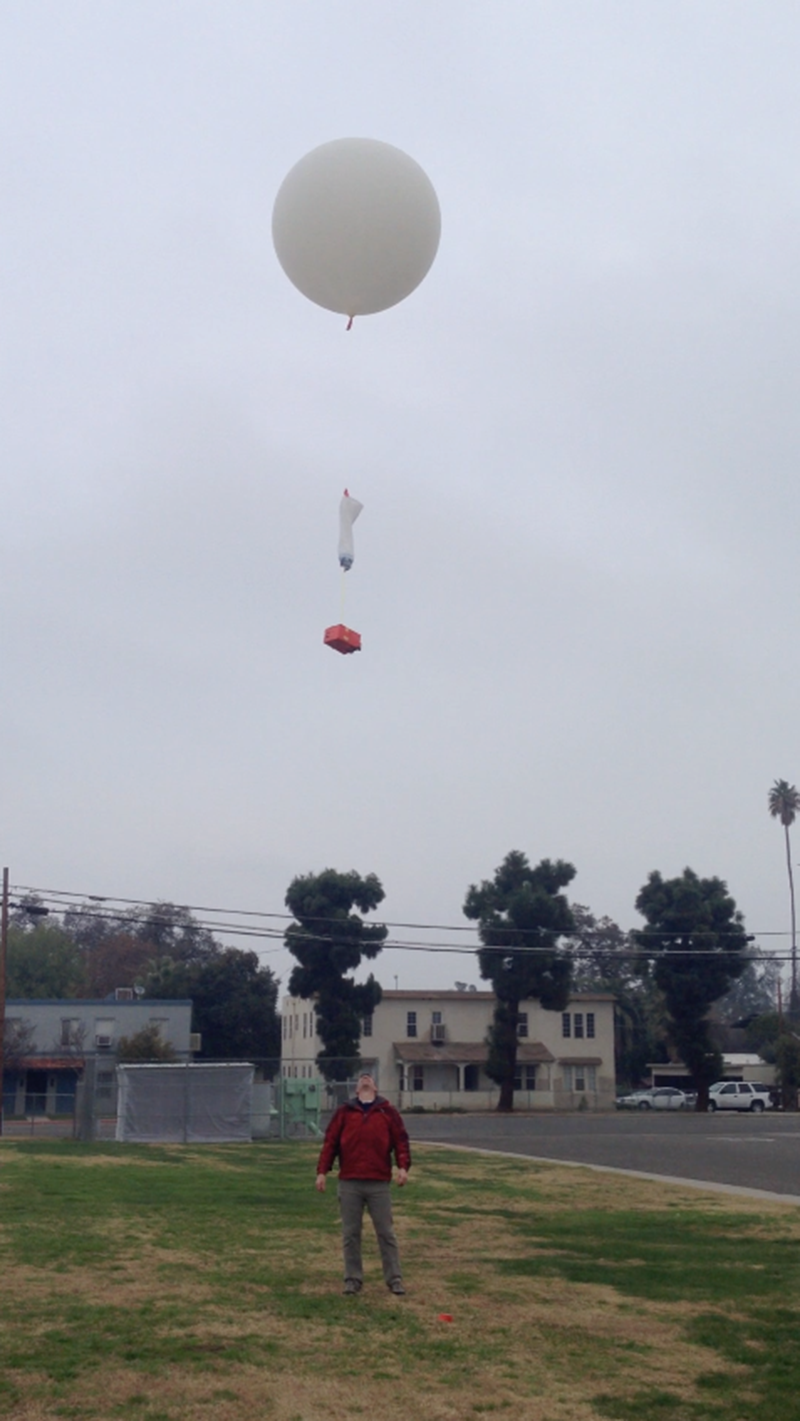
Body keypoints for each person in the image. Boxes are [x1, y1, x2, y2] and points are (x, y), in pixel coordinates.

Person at [315, 1070, 411, 1295]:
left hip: (378, 1183)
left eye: (370, 1079)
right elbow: (330, 1143)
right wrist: (322, 1172)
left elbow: (401, 1141)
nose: (366, 1079)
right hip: (350, 1182)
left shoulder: (388, 1112)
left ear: (375, 1088)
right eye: (362, 1079)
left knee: (386, 1233)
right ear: (357, 1089)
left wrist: (403, 1167)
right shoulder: (344, 1113)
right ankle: (352, 1279)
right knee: (350, 1233)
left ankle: (394, 1279)